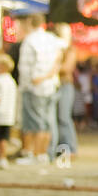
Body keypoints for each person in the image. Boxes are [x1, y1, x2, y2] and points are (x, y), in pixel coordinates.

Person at [15, 13, 62, 163]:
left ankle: (33, 154)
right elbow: (61, 54)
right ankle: (42, 153)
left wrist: (36, 79)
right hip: (50, 85)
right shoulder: (52, 39)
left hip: (33, 86)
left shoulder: (30, 40)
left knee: (34, 122)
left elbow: (26, 68)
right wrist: (51, 73)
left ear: (29, 22)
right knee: (46, 122)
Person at [52, 24, 78, 159]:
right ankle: (60, 147)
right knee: (55, 118)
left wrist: (53, 67)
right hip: (55, 85)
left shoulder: (70, 50)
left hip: (65, 85)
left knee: (63, 117)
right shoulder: (55, 48)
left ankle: (70, 147)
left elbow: (67, 68)